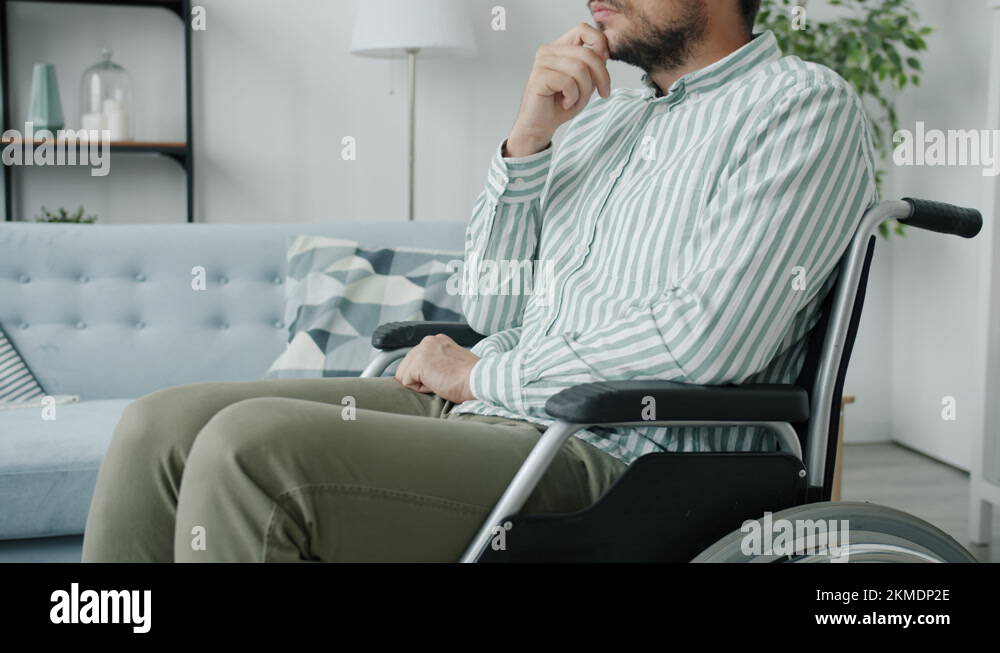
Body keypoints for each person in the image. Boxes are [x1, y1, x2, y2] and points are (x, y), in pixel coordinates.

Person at [82, 0, 876, 563]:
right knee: (162, 426)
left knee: (247, 453)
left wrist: (484, 371)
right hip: (498, 409)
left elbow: (706, 341)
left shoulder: (798, 106)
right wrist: (528, 139)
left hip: (620, 454)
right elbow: (492, 305)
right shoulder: (603, 119)